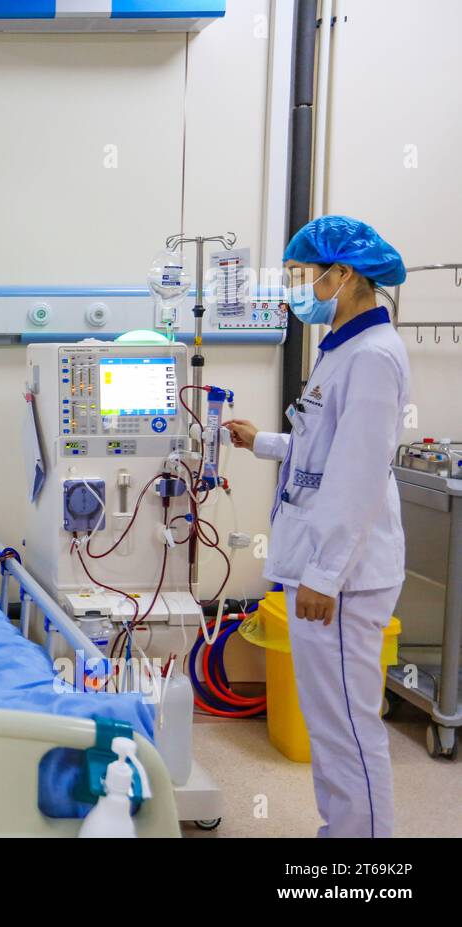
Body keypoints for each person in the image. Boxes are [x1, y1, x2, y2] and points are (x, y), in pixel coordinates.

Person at [224, 215, 409, 838]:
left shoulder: (374, 357)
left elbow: (356, 474)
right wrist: (265, 442)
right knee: (332, 725)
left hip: (344, 578)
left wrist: (324, 577)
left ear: (344, 275)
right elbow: (323, 444)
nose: (295, 288)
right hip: (323, 564)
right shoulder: (342, 350)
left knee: (347, 729)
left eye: (305, 275)